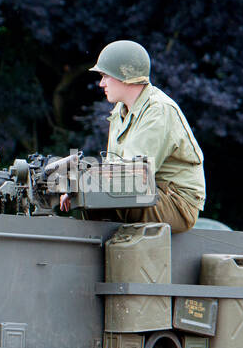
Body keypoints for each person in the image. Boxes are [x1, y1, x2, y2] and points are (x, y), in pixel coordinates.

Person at [79, 39, 205, 233]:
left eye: (105, 75)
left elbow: (133, 177)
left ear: (124, 76)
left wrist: (82, 184)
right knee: (91, 198)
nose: (101, 83)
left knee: (95, 193)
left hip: (177, 203)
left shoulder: (158, 111)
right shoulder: (120, 112)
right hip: (149, 193)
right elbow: (115, 173)